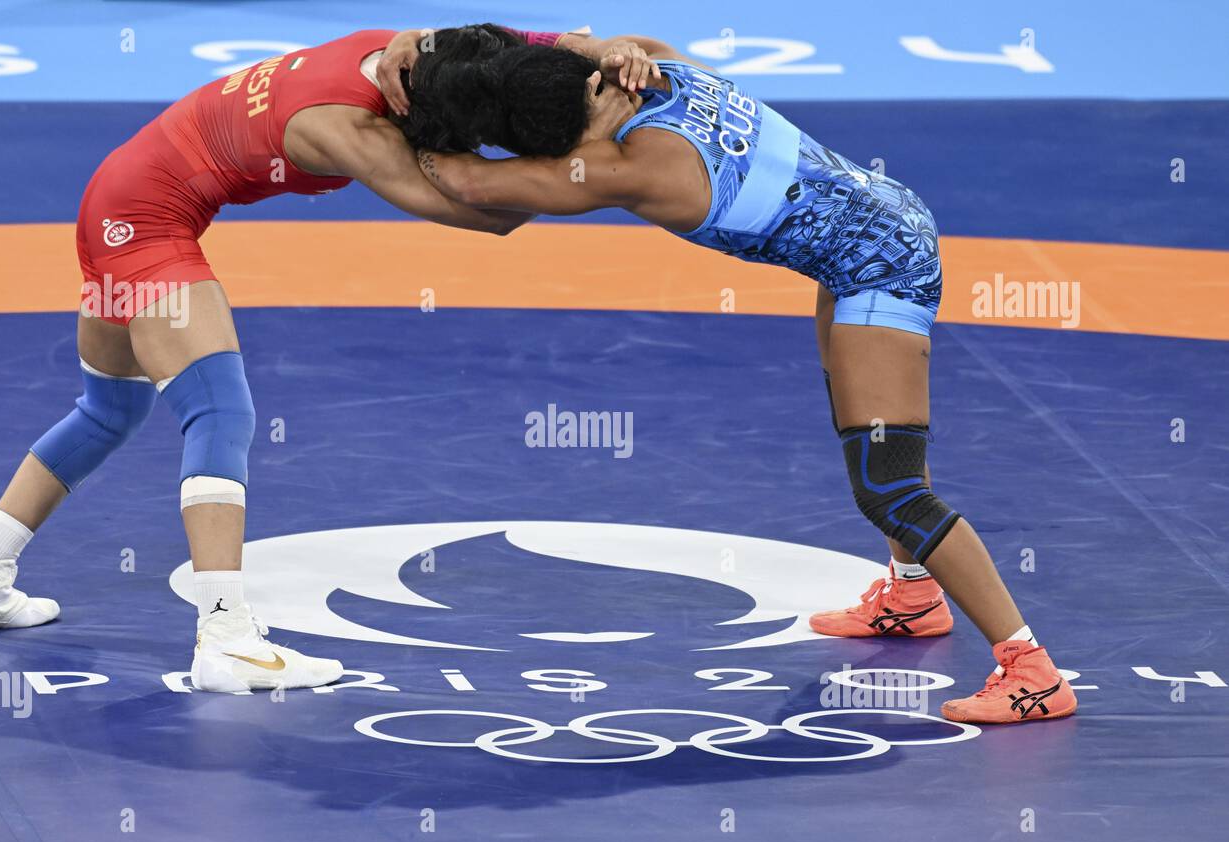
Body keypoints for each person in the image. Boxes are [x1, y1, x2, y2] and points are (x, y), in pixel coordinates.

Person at [0, 25, 652, 695]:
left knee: (108, 410)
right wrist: (592, 157)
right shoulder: (343, 127)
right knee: (219, 412)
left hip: (116, 194)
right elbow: (482, 210)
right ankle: (225, 639)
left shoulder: (431, 53)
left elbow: (545, 48)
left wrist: (614, 50)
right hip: (143, 222)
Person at [409, 40, 1076, 724]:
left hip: (880, 265)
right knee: (875, 437)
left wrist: (390, 125)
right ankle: (912, 597)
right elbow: (567, 45)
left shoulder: (628, 168)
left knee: (890, 487)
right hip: (873, 228)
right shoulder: (663, 67)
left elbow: (472, 184)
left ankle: (1032, 670)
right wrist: (608, 46)